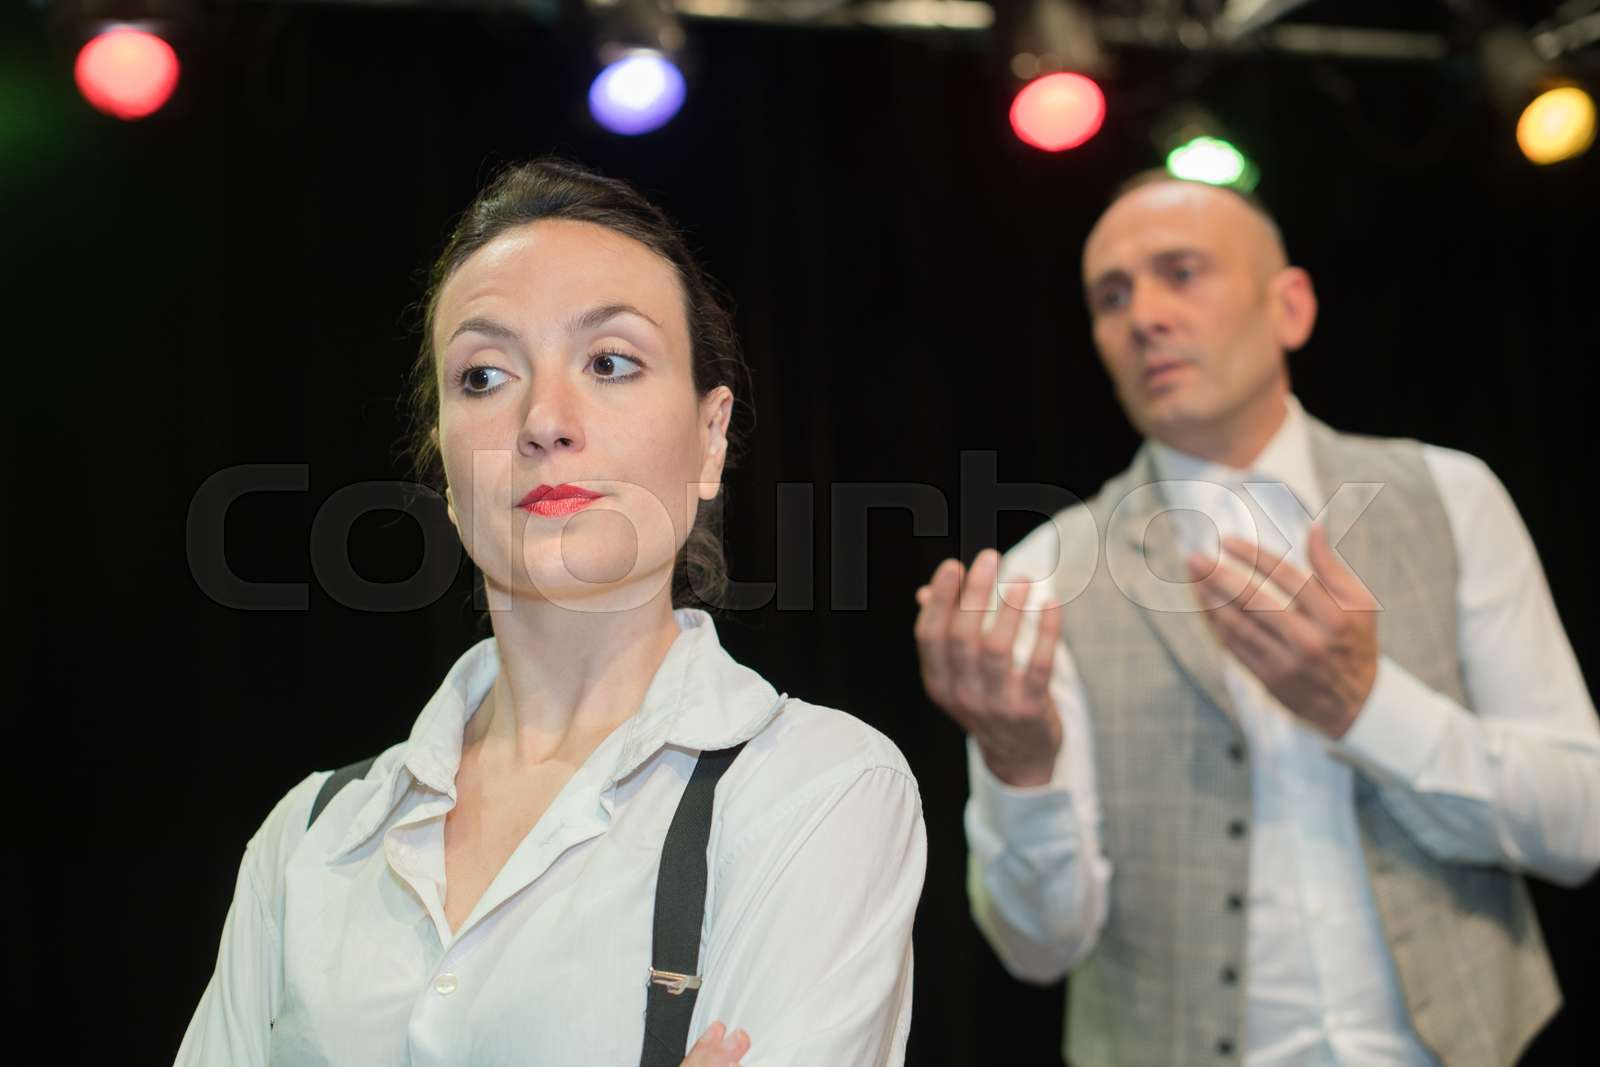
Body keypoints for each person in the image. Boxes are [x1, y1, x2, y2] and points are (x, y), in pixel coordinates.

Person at [178, 159, 926, 1067]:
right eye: (485, 375)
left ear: (711, 433)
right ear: (444, 468)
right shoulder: (309, 839)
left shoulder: (815, 793)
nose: (544, 419)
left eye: (610, 362)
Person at [914, 172, 1600, 1067]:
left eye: (1181, 273)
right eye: (1111, 296)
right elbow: (1038, 947)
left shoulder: (1449, 496)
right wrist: (1018, 765)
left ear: (1290, 307)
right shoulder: (1048, 569)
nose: (1143, 316)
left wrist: (1365, 705)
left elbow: (1581, 823)